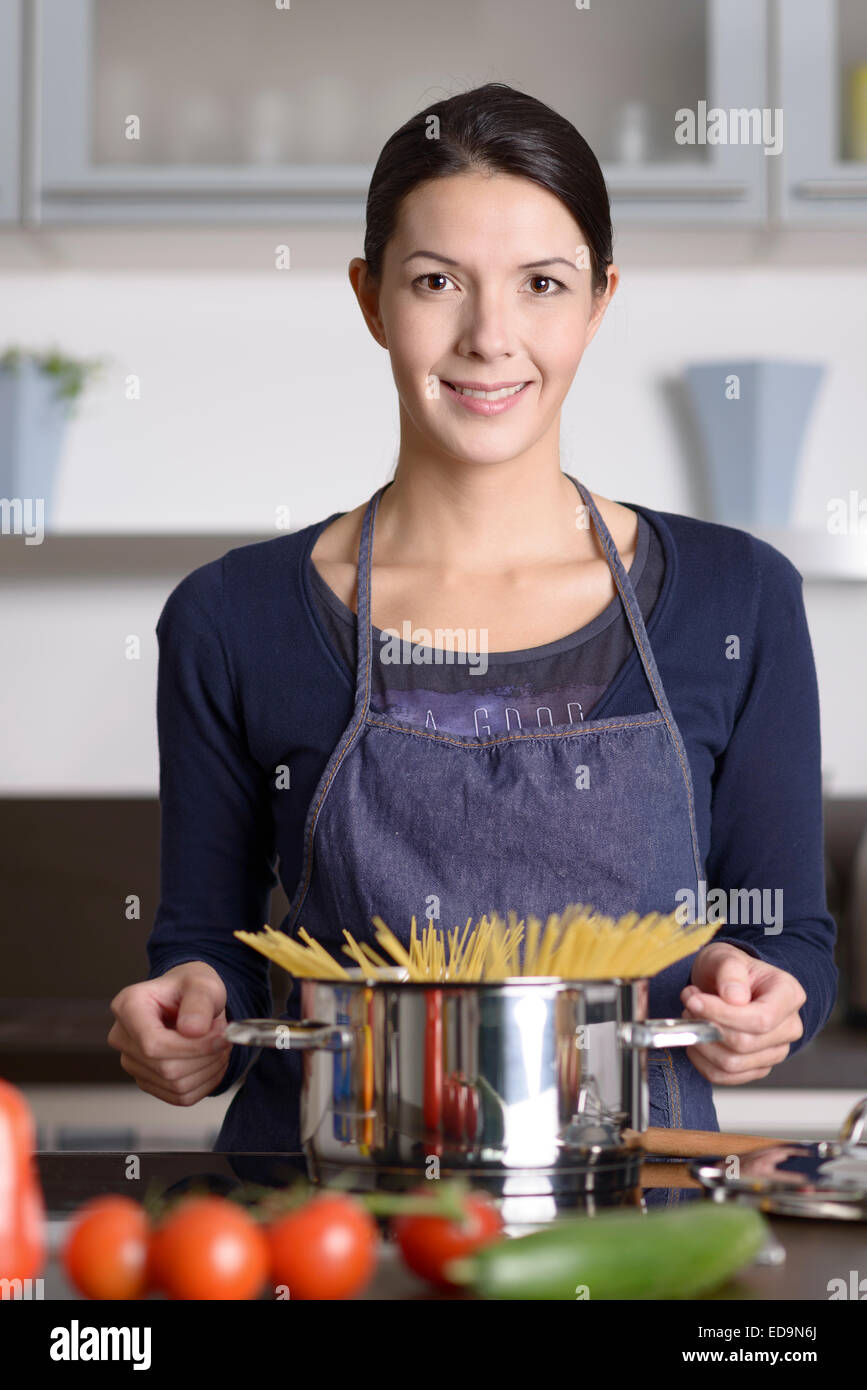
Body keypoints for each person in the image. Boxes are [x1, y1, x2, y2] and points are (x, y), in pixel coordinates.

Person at [109, 83, 837, 1156]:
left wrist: (769, 995)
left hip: (639, 1226)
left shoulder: (742, 596)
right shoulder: (232, 615)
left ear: (600, 299)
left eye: (542, 283)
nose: (491, 337)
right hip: (330, 1228)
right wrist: (184, 1006)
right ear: (369, 299)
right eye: (437, 281)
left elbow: (790, 938)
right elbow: (205, 941)